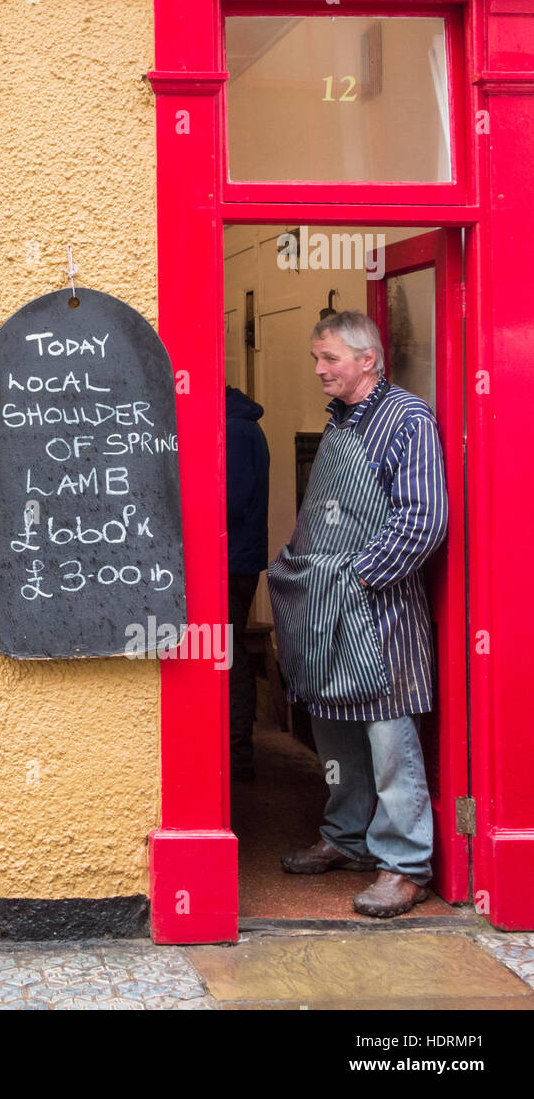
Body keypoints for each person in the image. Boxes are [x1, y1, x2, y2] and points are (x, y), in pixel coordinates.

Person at [267, 311, 447, 919]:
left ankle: (404, 865)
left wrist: (358, 579)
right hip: (325, 607)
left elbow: (422, 520)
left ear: (367, 360)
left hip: (378, 614)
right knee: (333, 728)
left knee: (388, 737)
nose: (318, 370)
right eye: (317, 359)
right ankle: (345, 837)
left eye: (330, 359)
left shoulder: (406, 420)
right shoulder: (342, 418)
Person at [226, 385, 270, 782]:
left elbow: (231, 502)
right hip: (239, 560)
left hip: (230, 562)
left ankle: (237, 758)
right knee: (229, 652)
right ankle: (236, 755)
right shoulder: (242, 425)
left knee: (228, 656)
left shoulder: (234, 430)